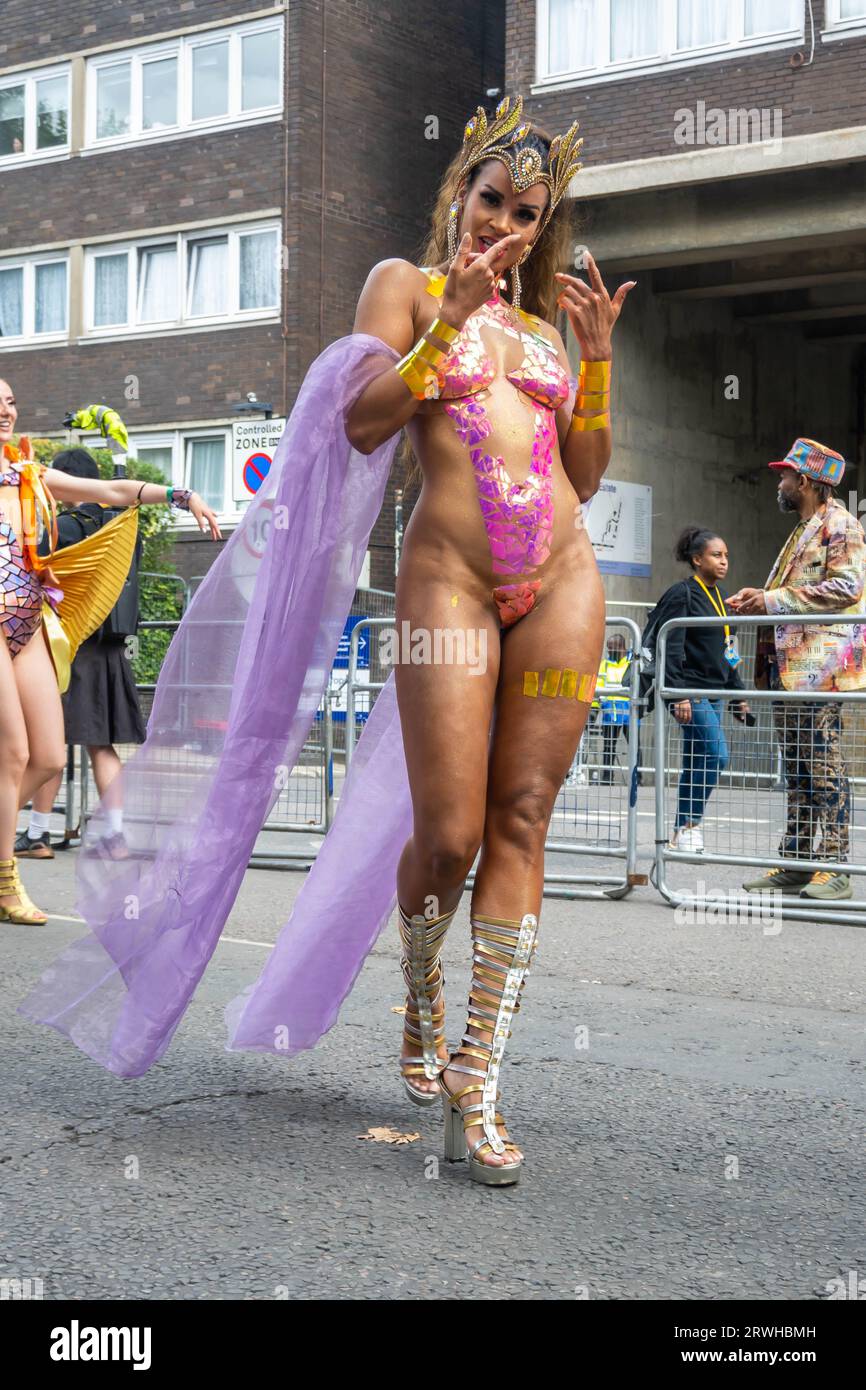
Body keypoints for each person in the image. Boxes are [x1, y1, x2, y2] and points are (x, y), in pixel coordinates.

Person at [19, 94, 635, 1189]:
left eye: (526, 212)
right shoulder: (404, 287)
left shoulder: (542, 337)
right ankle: (418, 988)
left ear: (545, 225)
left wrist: (591, 365)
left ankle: (475, 1076)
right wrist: (450, 318)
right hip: (446, 583)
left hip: (561, 581)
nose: (503, 222)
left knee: (523, 815)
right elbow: (358, 419)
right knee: (446, 839)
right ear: (460, 194)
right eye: (489, 197)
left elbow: (581, 475)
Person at [0, 381, 221, 924]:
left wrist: (178, 495)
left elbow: (109, 492)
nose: (6, 410)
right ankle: (5, 882)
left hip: (27, 619)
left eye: (9, 400)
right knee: (14, 754)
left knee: (50, 755)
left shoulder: (31, 476)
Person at [730, 438, 866, 902]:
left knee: (824, 764)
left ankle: (834, 866)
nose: (780, 482)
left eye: (785, 475)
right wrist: (760, 596)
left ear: (805, 481)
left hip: (821, 669)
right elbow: (797, 588)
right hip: (793, 670)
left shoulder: (841, 525)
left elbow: (849, 587)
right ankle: (796, 859)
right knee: (799, 767)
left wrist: (769, 600)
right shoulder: (805, 527)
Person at [16, 449, 147, 863]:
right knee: (101, 747)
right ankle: (115, 836)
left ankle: (38, 835)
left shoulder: (65, 526)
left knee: (46, 746)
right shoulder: (127, 528)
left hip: (69, 646)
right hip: (111, 649)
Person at [653, 527, 751, 853]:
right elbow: (668, 644)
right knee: (716, 754)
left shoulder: (724, 601)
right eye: (716, 555)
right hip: (689, 691)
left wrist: (738, 694)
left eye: (726, 556)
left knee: (697, 760)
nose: (724, 562)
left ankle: (682, 831)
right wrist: (678, 693)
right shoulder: (684, 594)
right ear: (697, 559)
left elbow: (730, 651)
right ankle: (691, 824)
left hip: (715, 693)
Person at [591, 632, 630, 783]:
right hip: (610, 712)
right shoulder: (605, 664)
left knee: (635, 747)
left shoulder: (632, 663)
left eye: (611, 648)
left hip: (630, 711)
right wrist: (593, 712)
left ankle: (637, 778)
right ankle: (607, 778)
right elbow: (598, 687)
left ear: (621, 647)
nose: (608, 651)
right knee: (608, 747)